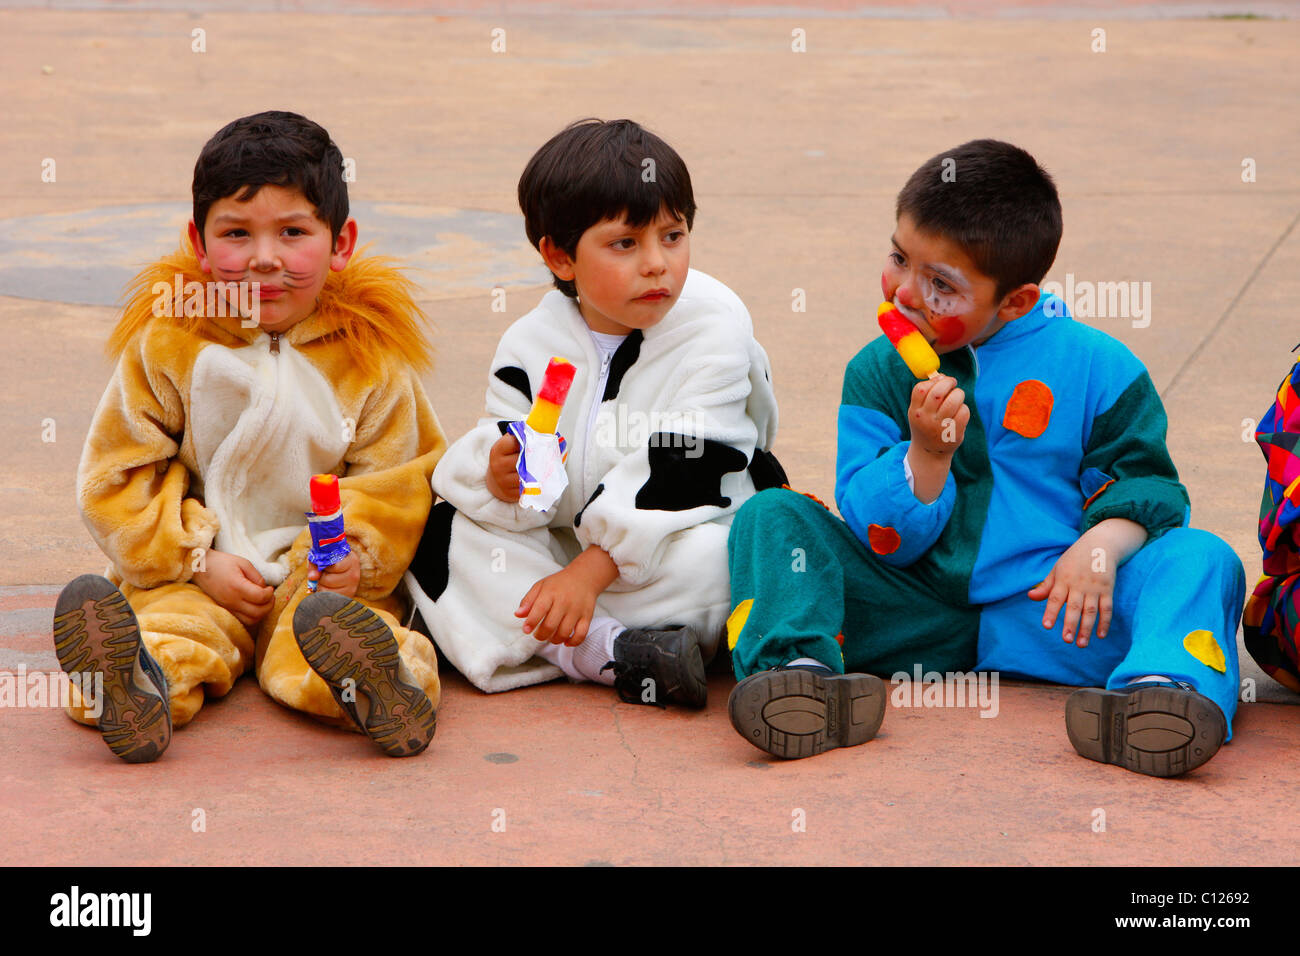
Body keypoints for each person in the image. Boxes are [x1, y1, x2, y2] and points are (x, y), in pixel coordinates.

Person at [726, 139, 1244, 775]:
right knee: (771, 516)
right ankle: (798, 678)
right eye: (899, 258)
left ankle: (1160, 694)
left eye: (941, 285)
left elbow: (1149, 484)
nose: (907, 293)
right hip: (911, 610)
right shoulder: (877, 371)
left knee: (1202, 558)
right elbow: (872, 531)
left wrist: (1100, 548)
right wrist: (925, 460)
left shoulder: (1098, 366)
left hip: (1061, 608)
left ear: (1016, 301)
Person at [52, 111, 446, 761]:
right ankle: (131, 687)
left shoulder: (371, 356)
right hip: (197, 572)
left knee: (327, 644)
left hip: (315, 585)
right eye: (237, 233)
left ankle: (388, 684)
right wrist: (195, 560)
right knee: (173, 631)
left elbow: (400, 480)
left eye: (293, 232)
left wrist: (352, 562)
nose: (265, 258)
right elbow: (118, 474)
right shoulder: (168, 343)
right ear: (199, 244)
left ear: (340, 243)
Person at [406, 118, 782, 706]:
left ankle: (500, 626)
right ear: (560, 257)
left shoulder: (714, 330)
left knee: (727, 558)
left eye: (673, 236)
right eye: (625, 244)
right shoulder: (531, 342)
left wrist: (591, 574)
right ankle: (612, 652)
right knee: (443, 530)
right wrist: (499, 475)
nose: (657, 263)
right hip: (565, 548)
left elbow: (690, 464)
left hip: (675, 540)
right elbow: (503, 433)